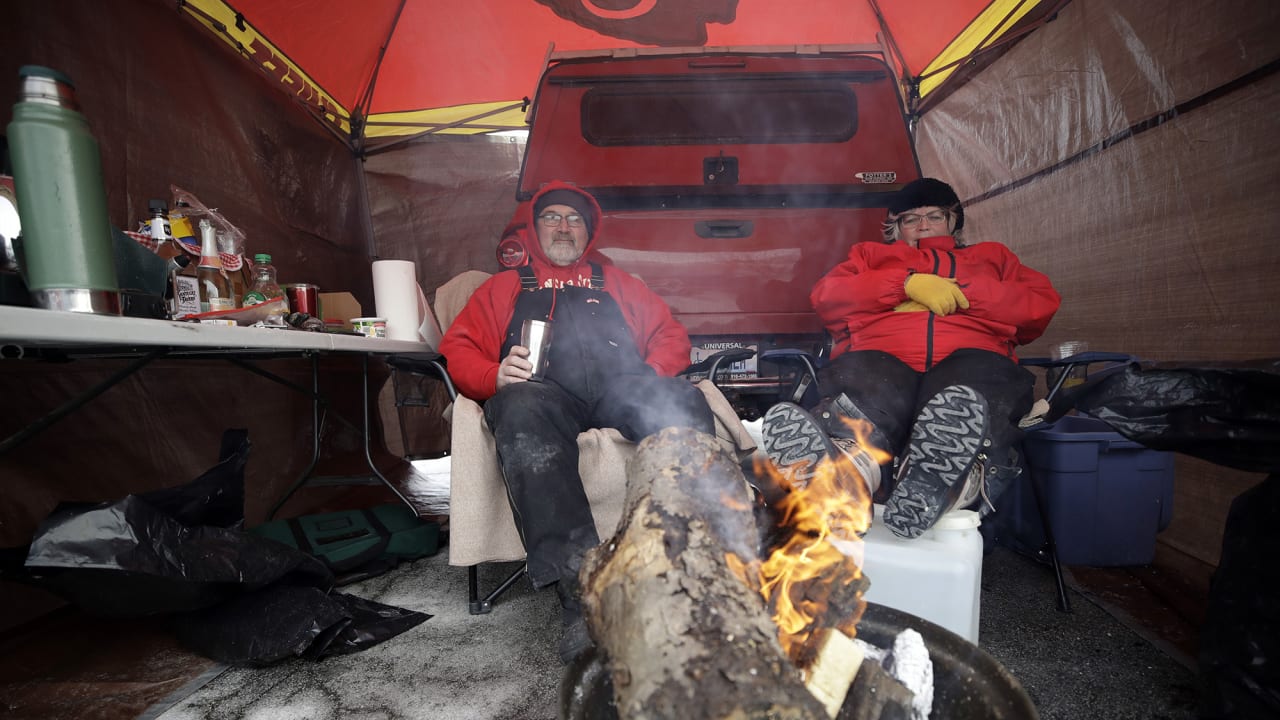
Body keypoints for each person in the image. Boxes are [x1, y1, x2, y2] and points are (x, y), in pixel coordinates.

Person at [438, 180, 715, 663]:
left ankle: (694, 562)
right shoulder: (502, 286)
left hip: (619, 388)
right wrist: (493, 376)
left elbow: (671, 336)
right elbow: (458, 347)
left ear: (588, 233)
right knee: (519, 409)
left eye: (575, 220)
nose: (563, 227)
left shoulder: (620, 284)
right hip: (543, 395)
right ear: (532, 229)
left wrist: (649, 376)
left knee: (676, 399)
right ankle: (583, 597)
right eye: (552, 218)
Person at [761, 177, 1061, 539]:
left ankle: (952, 485)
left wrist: (962, 292)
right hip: (881, 356)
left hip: (972, 356)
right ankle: (845, 476)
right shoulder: (870, 257)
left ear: (953, 220)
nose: (922, 225)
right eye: (910, 219)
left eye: (933, 215)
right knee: (869, 385)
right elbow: (827, 297)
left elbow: (1038, 306)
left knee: (970, 396)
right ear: (896, 226)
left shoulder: (992, 258)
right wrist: (903, 285)